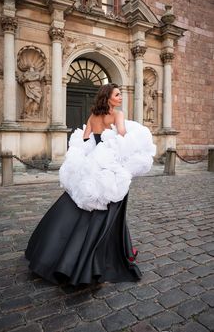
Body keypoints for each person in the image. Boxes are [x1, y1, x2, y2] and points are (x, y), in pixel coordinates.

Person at [25, 83, 156, 286]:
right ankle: (97, 258)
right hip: (110, 169)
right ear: (109, 98)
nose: (120, 97)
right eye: (117, 94)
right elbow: (122, 136)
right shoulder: (118, 115)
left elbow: (85, 140)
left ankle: (55, 252)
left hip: (92, 164)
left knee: (81, 209)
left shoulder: (93, 116)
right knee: (109, 213)